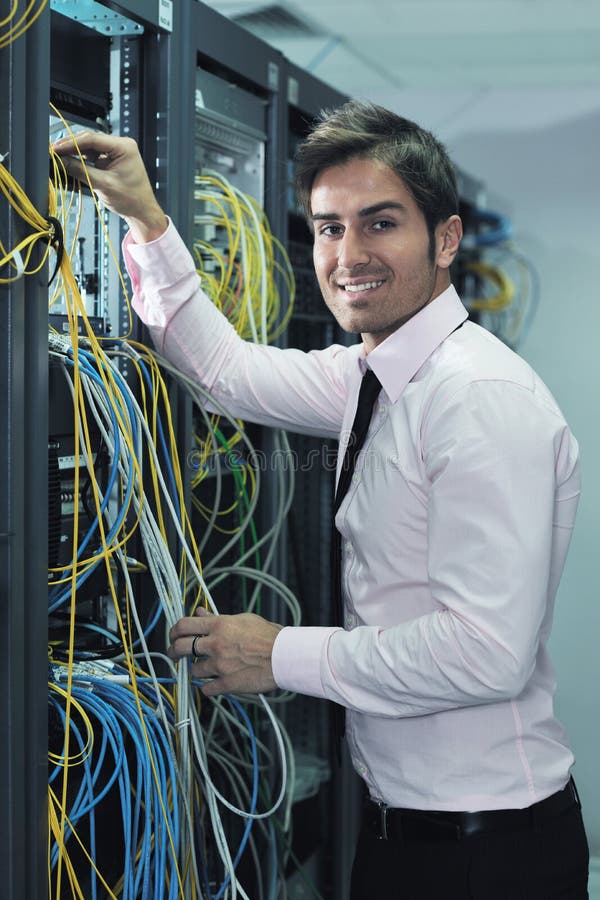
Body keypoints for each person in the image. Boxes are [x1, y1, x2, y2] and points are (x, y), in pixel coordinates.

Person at [53, 101, 589, 899]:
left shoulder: (477, 398)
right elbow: (223, 372)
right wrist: (146, 219)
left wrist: (278, 655)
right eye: (330, 228)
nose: (348, 255)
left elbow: (484, 651)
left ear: (445, 240)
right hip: (410, 834)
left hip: (485, 856)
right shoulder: (373, 377)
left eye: (381, 223)